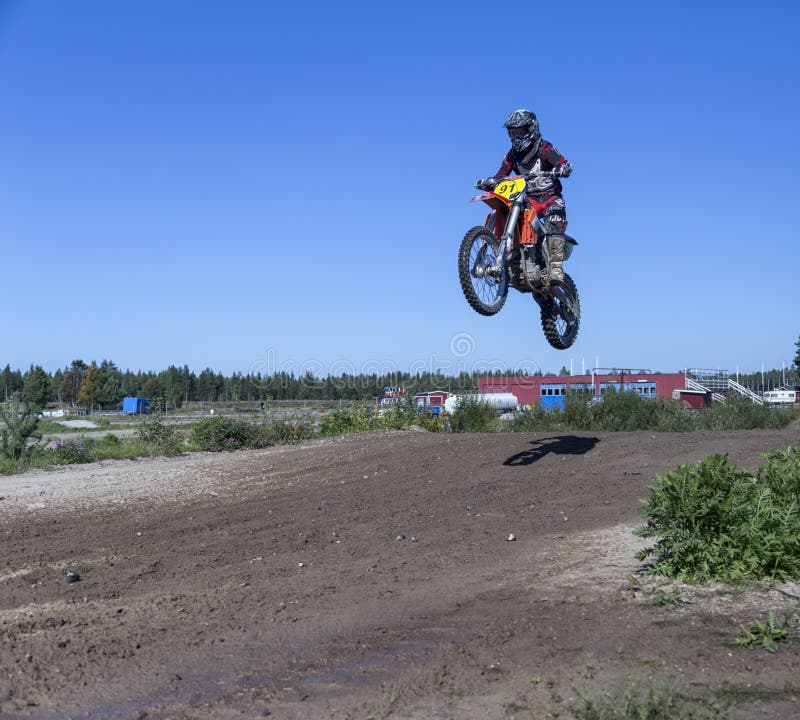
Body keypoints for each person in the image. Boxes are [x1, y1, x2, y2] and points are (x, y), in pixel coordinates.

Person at [476, 109, 573, 282]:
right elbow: (501, 173)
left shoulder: (544, 148)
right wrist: (491, 181)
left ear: (531, 129)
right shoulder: (512, 155)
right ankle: (513, 261)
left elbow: (563, 163)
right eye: (513, 132)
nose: (516, 136)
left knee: (555, 217)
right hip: (529, 199)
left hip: (550, 196)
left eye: (520, 131)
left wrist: (562, 168)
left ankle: (556, 267)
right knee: (512, 214)